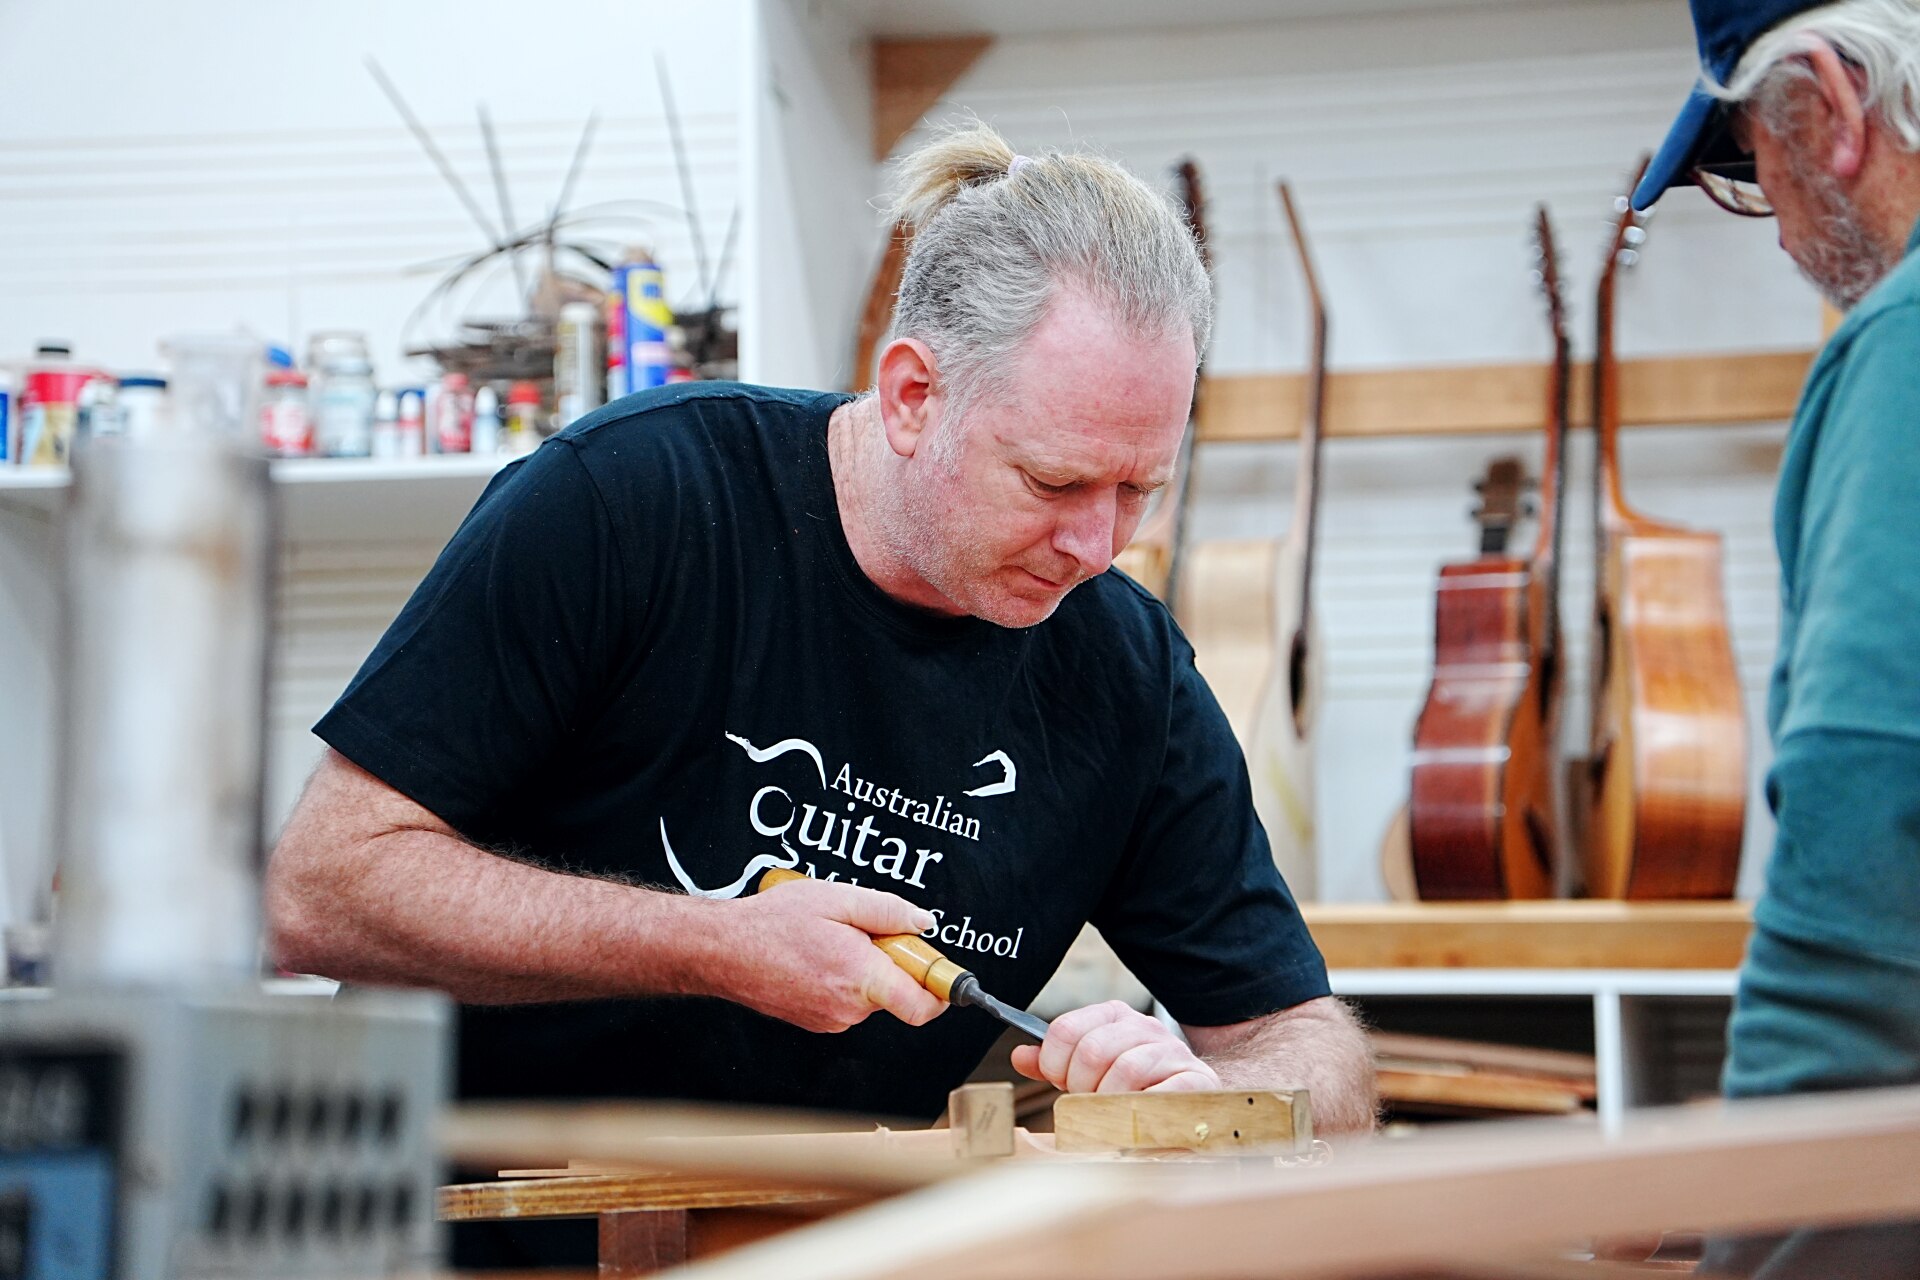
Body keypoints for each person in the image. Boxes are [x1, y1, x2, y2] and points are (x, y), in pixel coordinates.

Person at [265, 123, 1375, 1137]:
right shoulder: (633, 502)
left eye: (1139, 488)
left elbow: (1311, 1047)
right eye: (1052, 478)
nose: (1099, 545)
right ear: (910, 396)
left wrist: (1212, 1100)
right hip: (479, 1224)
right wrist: (713, 945)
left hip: (829, 1242)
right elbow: (318, 891)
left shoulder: (1126, 672)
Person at [1635, 0, 1920, 1273]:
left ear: (1831, 106)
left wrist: (1763, 1249)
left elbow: (1863, 873)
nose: (1786, 234)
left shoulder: (1903, 349)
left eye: (1750, 166)